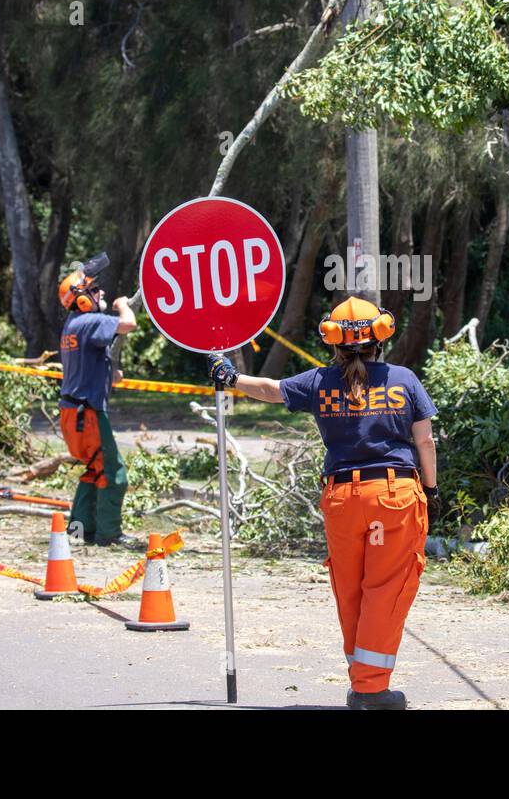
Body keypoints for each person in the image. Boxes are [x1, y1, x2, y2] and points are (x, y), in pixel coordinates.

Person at [208, 296, 439, 710]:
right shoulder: (404, 379)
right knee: (385, 589)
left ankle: (362, 678)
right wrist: (433, 490)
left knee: (350, 589)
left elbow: (271, 390)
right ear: (381, 338)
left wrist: (230, 377)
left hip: (341, 499)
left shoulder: (319, 382)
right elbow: (425, 440)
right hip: (393, 497)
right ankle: (370, 689)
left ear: (333, 341)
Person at [57, 253, 141, 549]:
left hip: (73, 412)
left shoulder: (73, 326)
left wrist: (109, 373)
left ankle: (80, 530)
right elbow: (128, 325)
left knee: (94, 469)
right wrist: (122, 306)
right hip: (88, 413)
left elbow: (87, 361)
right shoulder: (89, 321)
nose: (100, 293)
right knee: (114, 473)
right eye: (94, 290)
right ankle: (110, 533)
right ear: (81, 300)